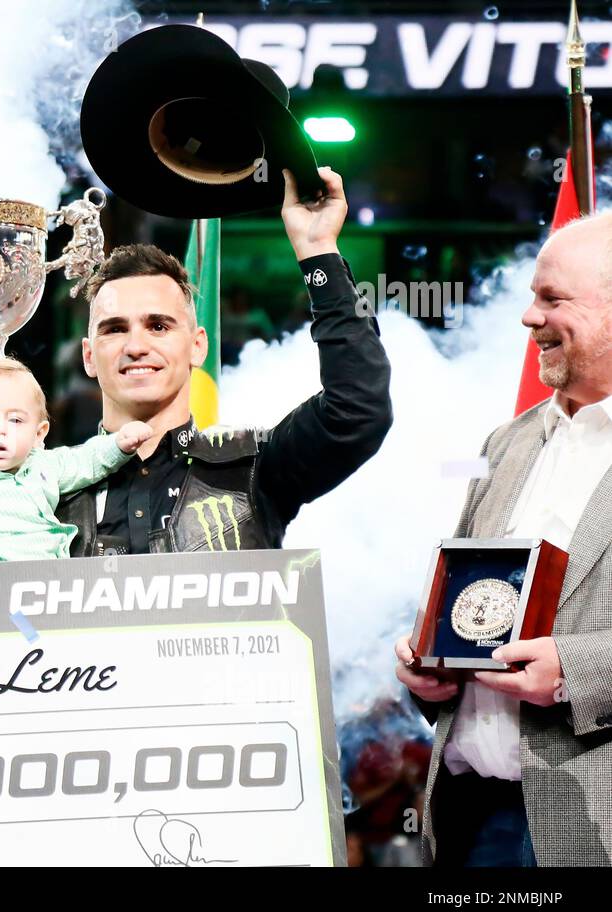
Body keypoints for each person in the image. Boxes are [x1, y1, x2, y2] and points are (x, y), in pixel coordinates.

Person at [395, 212, 612, 867]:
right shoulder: (505, 443)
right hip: (467, 816)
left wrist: (576, 673)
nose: (528, 317)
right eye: (529, 296)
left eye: (552, 299)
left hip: (588, 828)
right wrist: (426, 667)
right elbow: (465, 600)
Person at [56, 168, 393, 556]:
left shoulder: (255, 468)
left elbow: (359, 408)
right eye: (115, 329)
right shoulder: (44, 491)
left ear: (198, 346)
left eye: (159, 326)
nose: (136, 345)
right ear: (88, 356)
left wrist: (318, 250)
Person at [0, 358, 151, 565]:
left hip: (45, 588)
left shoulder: (43, 465)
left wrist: (119, 443)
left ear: (39, 434)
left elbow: (85, 461)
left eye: (14, 420)